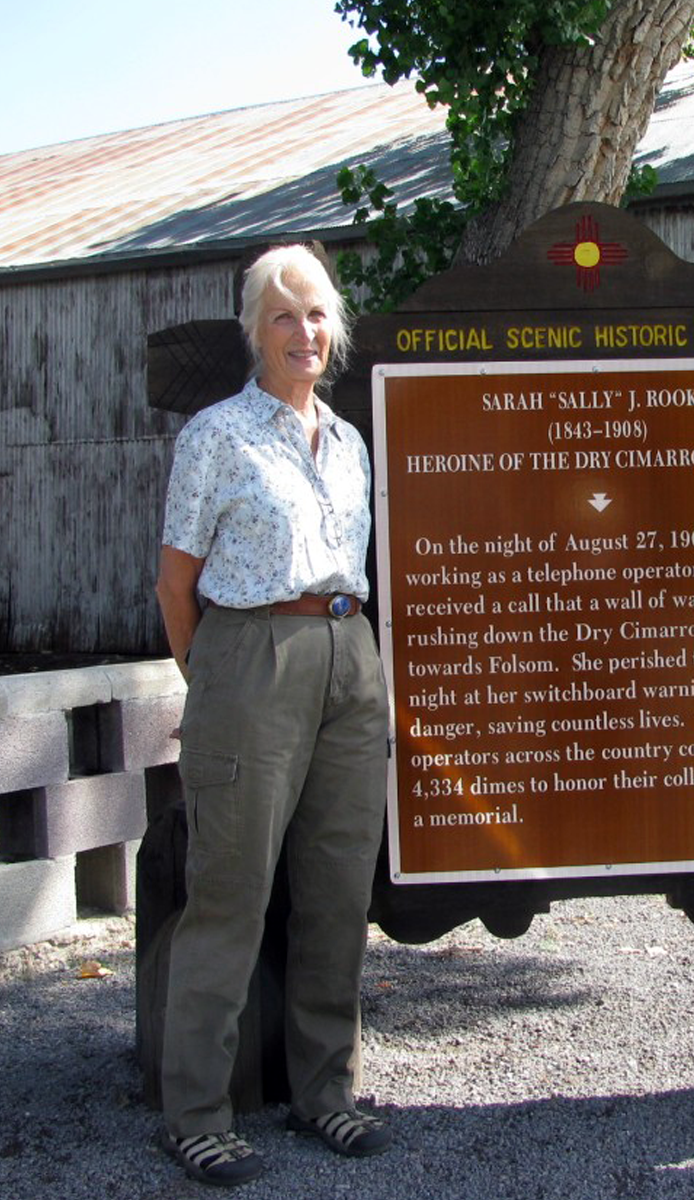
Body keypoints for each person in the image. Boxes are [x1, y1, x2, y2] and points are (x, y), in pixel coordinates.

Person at [155, 244, 391, 1186]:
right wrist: (214, 682)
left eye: (318, 314)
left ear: (335, 331)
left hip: (348, 652)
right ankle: (195, 1113)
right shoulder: (216, 436)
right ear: (255, 330)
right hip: (250, 655)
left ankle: (325, 1092)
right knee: (230, 893)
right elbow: (175, 585)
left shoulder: (350, 441)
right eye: (285, 315)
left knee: (337, 891)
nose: (304, 332)